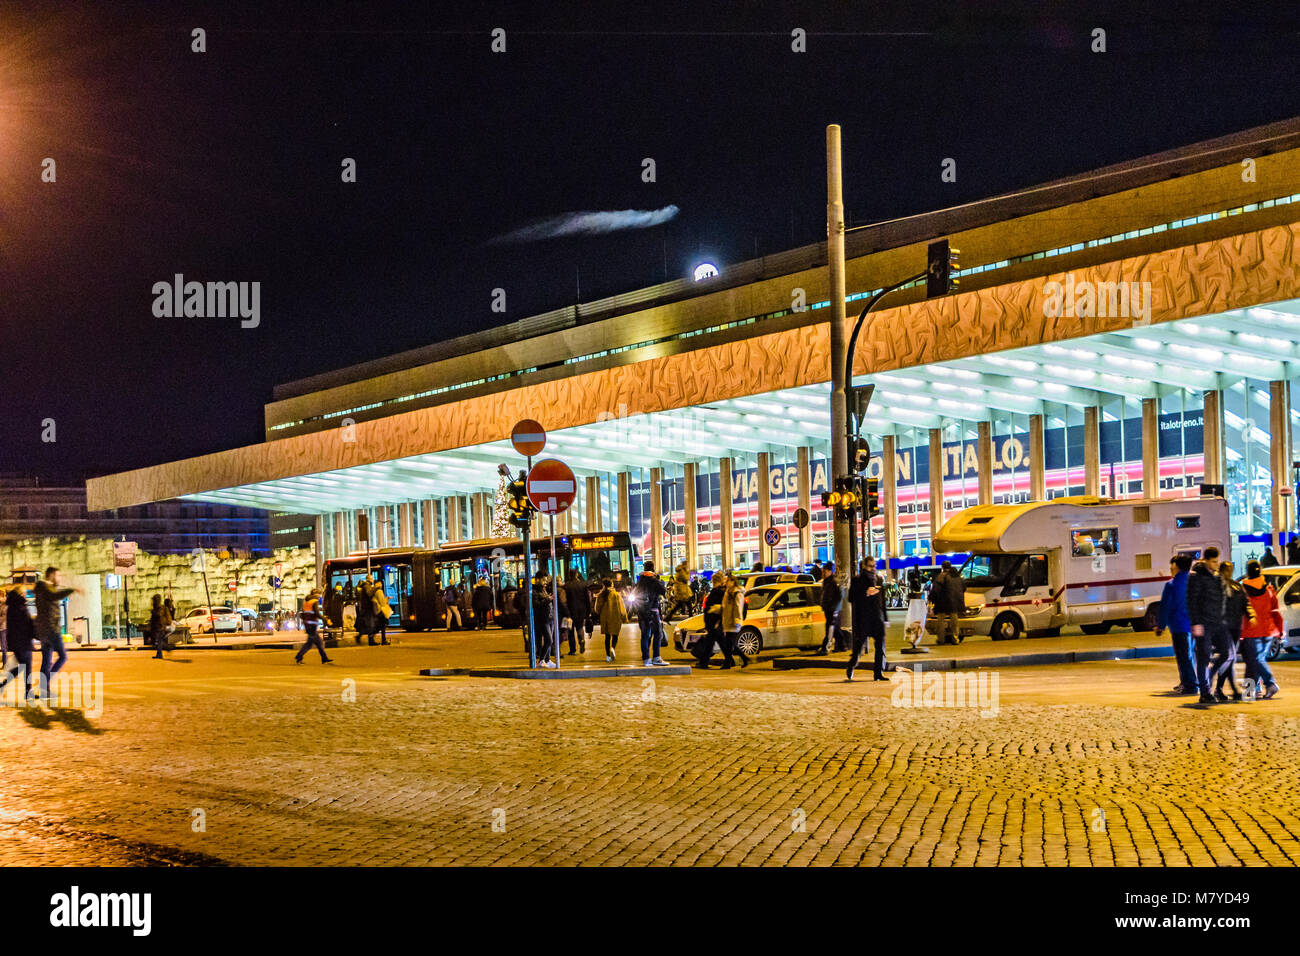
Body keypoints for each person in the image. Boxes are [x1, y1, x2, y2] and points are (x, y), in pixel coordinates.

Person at [1186, 547, 1225, 704]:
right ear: (1206, 561)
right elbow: (1192, 601)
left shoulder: (1216, 577)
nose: (1217, 564)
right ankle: (1204, 691)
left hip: (1217, 622)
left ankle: (1209, 675)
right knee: (1203, 657)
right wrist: (1195, 623)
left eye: (1217, 561)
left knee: (1227, 652)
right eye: (1214, 561)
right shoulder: (1196, 577)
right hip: (1203, 623)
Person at [1240, 560, 1282, 700]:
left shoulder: (1243, 590)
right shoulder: (1269, 590)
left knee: (1253, 661)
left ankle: (1267, 685)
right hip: (1268, 631)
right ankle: (1254, 690)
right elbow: (1276, 612)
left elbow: (1240, 611)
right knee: (1257, 660)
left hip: (1251, 631)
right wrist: (1280, 630)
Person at [1155, 555, 1196, 694]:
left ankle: (1190, 684)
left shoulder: (1171, 585)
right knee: (1191, 656)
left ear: (1177, 566)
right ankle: (1189, 682)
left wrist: (1161, 625)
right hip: (1195, 624)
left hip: (1179, 625)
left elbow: (1165, 606)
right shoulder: (1194, 581)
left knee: (1183, 657)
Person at [35, 566, 78, 694]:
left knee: (46, 661)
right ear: (51, 575)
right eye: (58, 576)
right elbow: (54, 596)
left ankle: (44, 690)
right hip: (51, 629)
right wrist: (72, 589)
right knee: (63, 656)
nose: (60, 578)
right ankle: (45, 682)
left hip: (44, 630)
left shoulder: (42, 589)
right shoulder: (44, 588)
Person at [846, 556, 889, 682]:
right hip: (864, 618)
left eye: (874, 566)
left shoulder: (879, 579)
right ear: (864, 566)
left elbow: (882, 600)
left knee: (880, 646)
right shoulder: (857, 580)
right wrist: (865, 593)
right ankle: (851, 665)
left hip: (877, 617)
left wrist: (885, 618)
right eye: (870, 566)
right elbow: (850, 598)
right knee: (859, 647)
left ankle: (878, 673)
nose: (873, 568)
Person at [1214, 561, 1245, 701]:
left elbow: (1245, 603)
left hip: (1235, 627)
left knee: (1230, 659)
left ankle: (1219, 689)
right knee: (1229, 657)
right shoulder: (1219, 587)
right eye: (1226, 570)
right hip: (1224, 627)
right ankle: (1230, 688)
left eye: (1230, 569)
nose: (1228, 572)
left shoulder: (1237, 587)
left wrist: (1251, 614)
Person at [0, 585, 37, 702]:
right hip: (22, 641)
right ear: (20, 594)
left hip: (18, 641)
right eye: (24, 592)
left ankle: (4, 685)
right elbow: (24, 623)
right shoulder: (19, 606)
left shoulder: (12, 605)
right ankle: (27, 692)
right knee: (26, 667)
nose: (25, 594)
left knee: (22, 667)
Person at [634, 561, 668, 666]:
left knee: (645, 635)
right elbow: (663, 590)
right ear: (653, 568)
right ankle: (656, 657)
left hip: (642, 611)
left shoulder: (640, 580)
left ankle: (646, 659)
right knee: (657, 634)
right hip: (652, 610)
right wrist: (658, 579)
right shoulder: (653, 579)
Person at [718, 572, 750, 669]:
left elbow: (738, 607)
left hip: (734, 622)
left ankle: (730, 662)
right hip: (727, 621)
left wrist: (737, 620)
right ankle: (742, 659)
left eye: (727, 581)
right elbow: (725, 606)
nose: (726, 583)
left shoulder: (737, 593)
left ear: (732, 582)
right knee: (729, 644)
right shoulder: (728, 592)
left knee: (730, 644)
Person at [694, 575, 727, 668]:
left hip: (714, 621)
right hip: (713, 621)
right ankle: (729, 660)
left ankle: (704, 662)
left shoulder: (718, 592)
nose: (712, 582)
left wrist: (717, 621)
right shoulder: (718, 591)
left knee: (712, 643)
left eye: (714, 581)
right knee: (717, 642)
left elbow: (719, 607)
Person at [930, 560, 964, 646]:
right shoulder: (957, 576)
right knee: (954, 621)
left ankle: (941, 639)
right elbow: (964, 588)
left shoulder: (941, 576)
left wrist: (932, 599)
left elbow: (935, 590)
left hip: (943, 602)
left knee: (941, 621)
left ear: (942, 567)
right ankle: (955, 639)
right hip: (955, 602)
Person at [295, 588, 334, 664]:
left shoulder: (306, 602)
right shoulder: (314, 602)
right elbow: (317, 613)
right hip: (312, 625)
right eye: (319, 594)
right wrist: (325, 620)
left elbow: (303, 614)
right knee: (317, 643)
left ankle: (323, 658)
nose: (320, 596)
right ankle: (299, 655)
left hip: (308, 625)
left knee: (313, 643)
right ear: (316, 594)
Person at [596, 577, 628, 662]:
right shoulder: (616, 595)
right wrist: (624, 617)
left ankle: (607, 656)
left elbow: (597, 609)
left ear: (603, 585)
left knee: (607, 637)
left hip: (605, 618)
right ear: (612, 584)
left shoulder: (600, 595)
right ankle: (612, 648)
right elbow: (622, 608)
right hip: (615, 617)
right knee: (615, 635)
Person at [816, 563, 842, 655]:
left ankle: (825, 648)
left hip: (832, 609)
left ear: (830, 571)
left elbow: (839, 596)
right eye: (822, 571)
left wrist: (835, 608)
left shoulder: (833, 582)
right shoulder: (826, 581)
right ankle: (842, 646)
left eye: (825, 571)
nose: (823, 573)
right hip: (828, 608)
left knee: (830, 629)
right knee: (835, 629)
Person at [565, 571, 591, 652]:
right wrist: (588, 611)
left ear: (569, 575)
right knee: (580, 627)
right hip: (581, 610)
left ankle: (572, 649)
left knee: (570, 630)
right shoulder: (583, 585)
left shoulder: (567, 586)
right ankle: (581, 640)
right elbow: (587, 599)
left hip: (570, 611)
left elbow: (565, 600)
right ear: (576, 575)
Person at [533, 574, 556, 667]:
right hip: (543, 619)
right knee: (549, 640)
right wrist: (548, 599)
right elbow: (536, 604)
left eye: (546, 580)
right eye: (544, 580)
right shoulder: (534, 591)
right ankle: (541, 660)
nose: (545, 582)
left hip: (550, 617)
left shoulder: (544, 590)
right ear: (538, 580)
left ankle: (547, 659)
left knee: (550, 640)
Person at [148, 593, 174, 660]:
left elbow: (159, 615)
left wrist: (153, 612)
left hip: (160, 627)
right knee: (158, 641)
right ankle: (159, 654)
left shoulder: (160, 608)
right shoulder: (157, 608)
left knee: (159, 641)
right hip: (157, 627)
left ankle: (168, 648)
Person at [371, 579, 392, 645]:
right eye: (380, 583)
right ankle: (381, 640)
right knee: (382, 626)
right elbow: (382, 602)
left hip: (376, 610)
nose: (382, 585)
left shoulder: (374, 591)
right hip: (380, 610)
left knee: (381, 626)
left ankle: (375, 639)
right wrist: (387, 599)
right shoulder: (379, 591)